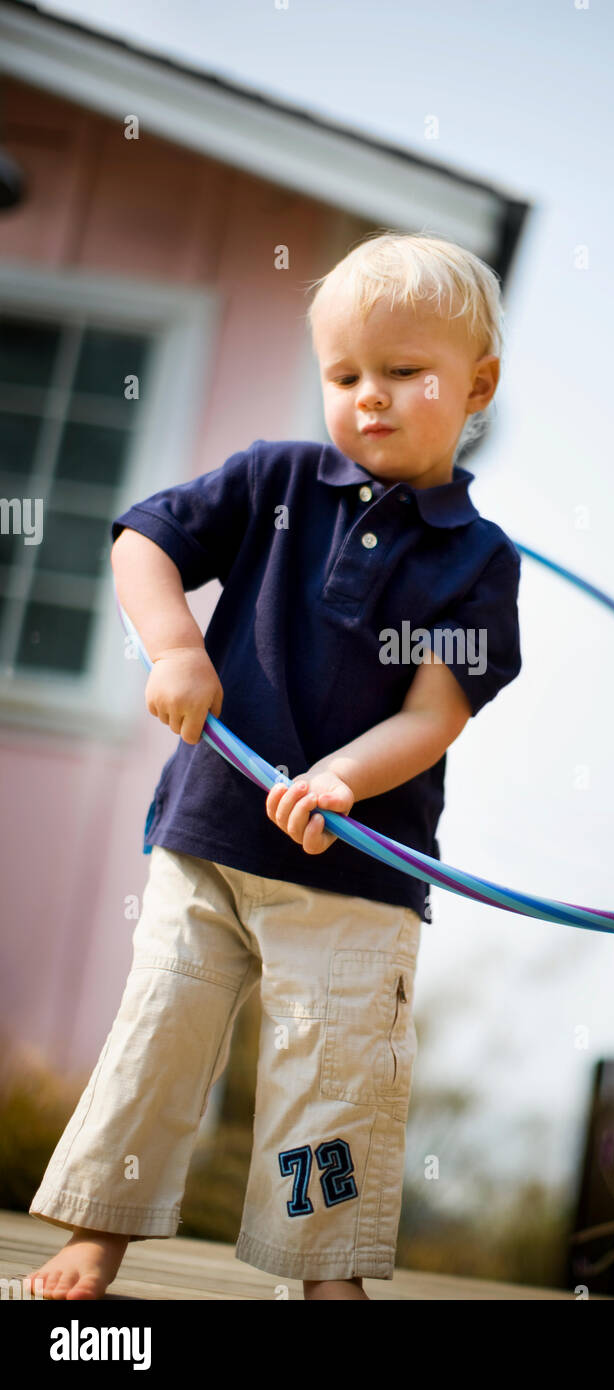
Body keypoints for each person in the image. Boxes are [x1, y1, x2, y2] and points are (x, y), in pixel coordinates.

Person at [26, 231, 522, 1301]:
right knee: (159, 1030)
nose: (368, 398)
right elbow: (143, 541)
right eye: (344, 374)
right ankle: (97, 1236)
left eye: (402, 372)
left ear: (476, 385)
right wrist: (174, 647)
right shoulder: (274, 478)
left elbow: (439, 710)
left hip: (354, 868)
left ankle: (320, 1270)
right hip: (212, 833)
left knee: (330, 1077)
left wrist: (343, 776)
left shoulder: (477, 558)